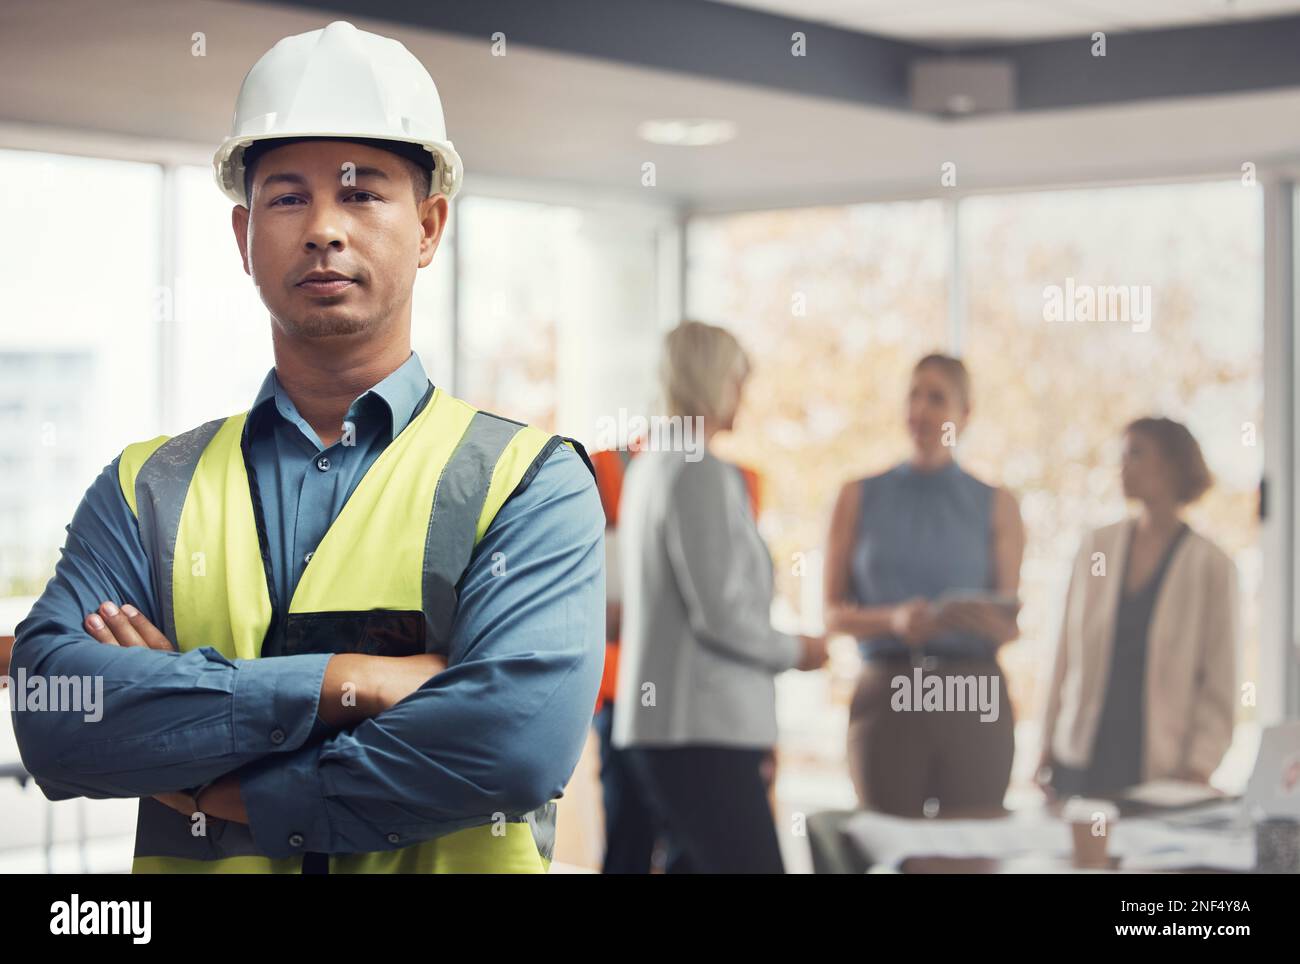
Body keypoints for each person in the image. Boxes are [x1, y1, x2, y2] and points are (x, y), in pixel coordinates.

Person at [9, 21, 605, 874]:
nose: (324, 227)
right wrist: (346, 683)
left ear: (430, 227)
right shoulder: (147, 488)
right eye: (288, 198)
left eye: (362, 195)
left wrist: (224, 788)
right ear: (243, 237)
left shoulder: (530, 485)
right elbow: (53, 715)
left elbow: (511, 746)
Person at [612, 321, 827, 873]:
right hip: (700, 731)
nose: (744, 396)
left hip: (671, 730)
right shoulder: (698, 470)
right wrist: (796, 651)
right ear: (713, 380)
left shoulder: (653, 466)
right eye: (738, 380)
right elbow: (723, 615)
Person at [825, 353, 1025, 817]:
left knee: (972, 854)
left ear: (965, 414)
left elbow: (1009, 621)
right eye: (913, 395)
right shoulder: (857, 495)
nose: (921, 410)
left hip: (974, 696)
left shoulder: (997, 505)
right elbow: (832, 613)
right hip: (888, 694)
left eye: (937, 398)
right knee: (890, 849)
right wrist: (893, 619)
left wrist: (984, 621)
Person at [590, 435, 764, 873]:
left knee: (688, 849)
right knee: (631, 838)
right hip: (625, 693)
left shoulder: (738, 480)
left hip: (697, 706)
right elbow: (590, 596)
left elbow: (732, 604)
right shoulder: (603, 468)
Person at [1037, 417, 1238, 798]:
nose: (1123, 466)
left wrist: (1200, 766)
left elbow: (1220, 682)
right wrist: (1045, 745)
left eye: (1135, 454)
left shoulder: (1211, 566)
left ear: (1171, 465)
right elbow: (1062, 654)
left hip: (1161, 771)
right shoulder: (1096, 548)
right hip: (1078, 759)